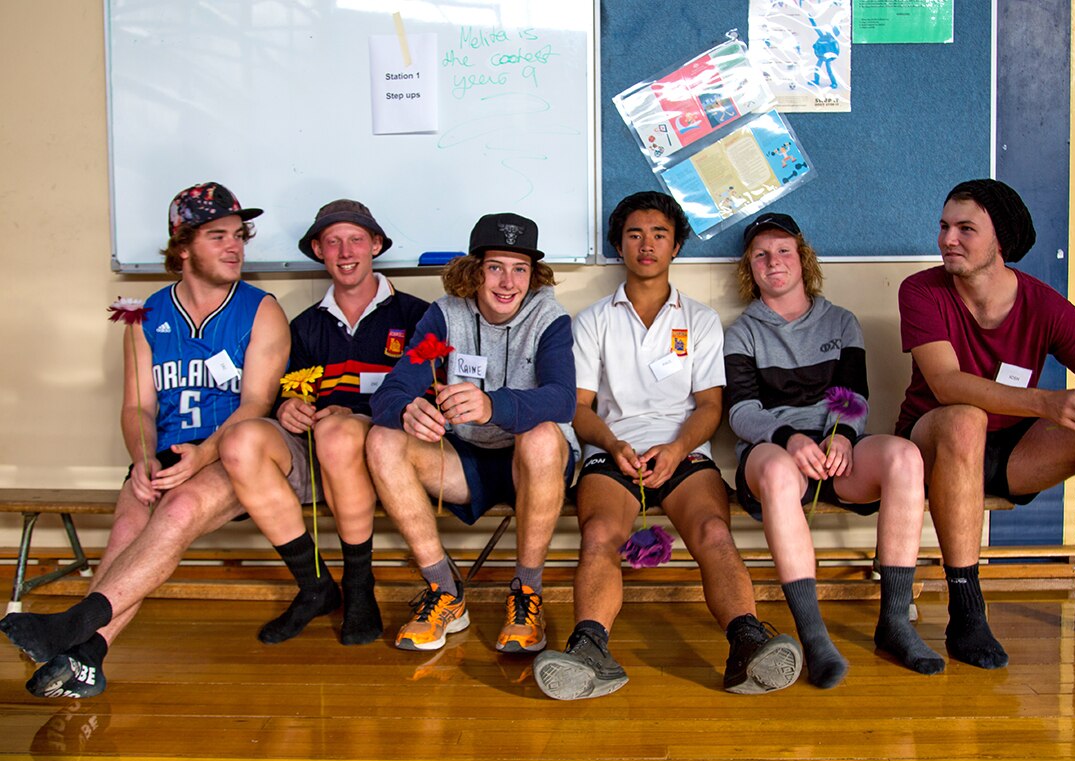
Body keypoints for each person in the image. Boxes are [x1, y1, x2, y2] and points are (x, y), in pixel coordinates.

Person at [0, 182, 290, 696]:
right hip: (164, 456)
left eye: (239, 235)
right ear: (182, 247)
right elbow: (138, 406)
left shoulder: (261, 309)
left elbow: (255, 405)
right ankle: (86, 658)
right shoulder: (143, 315)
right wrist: (139, 460)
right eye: (218, 236)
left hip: (234, 454)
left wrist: (203, 453)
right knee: (124, 537)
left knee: (176, 515)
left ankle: (71, 627)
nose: (235, 247)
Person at [896, 178, 1075, 669]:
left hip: (1011, 453)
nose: (947, 239)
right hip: (933, 446)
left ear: (1001, 240)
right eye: (944, 226)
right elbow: (946, 384)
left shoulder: (1044, 304)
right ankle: (967, 612)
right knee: (965, 419)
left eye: (965, 229)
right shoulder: (921, 290)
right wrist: (1048, 403)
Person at [534, 191, 802, 701]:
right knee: (598, 534)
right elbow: (579, 407)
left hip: (683, 456)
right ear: (619, 245)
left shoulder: (698, 320)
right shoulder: (592, 320)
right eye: (635, 234)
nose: (647, 244)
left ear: (676, 245)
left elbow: (709, 406)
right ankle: (590, 650)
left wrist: (677, 449)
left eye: (659, 234)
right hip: (612, 456)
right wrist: (613, 445)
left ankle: (747, 642)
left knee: (713, 532)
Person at [724, 212, 944, 688]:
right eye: (760, 254)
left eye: (783, 250)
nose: (773, 261)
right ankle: (814, 636)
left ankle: (895, 624)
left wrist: (842, 435)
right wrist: (790, 437)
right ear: (750, 267)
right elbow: (741, 413)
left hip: (835, 450)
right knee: (781, 472)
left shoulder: (842, 322)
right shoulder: (742, 332)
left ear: (801, 258)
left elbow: (856, 397)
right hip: (771, 454)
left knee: (905, 456)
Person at [219, 200, 428, 646]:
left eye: (355, 239)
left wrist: (358, 416)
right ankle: (315, 586)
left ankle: (358, 587)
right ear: (318, 250)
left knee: (336, 432)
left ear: (375, 244)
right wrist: (288, 407)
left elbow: (431, 394)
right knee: (241, 440)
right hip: (319, 457)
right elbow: (294, 387)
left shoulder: (417, 315)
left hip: (387, 454)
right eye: (332, 241)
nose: (345, 250)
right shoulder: (305, 325)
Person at [367, 213, 576, 654]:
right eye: (495, 266)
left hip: (535, 464)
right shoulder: (445, 317)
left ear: (532, 274)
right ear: (474, 269)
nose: (507, 282)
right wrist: (407, 409)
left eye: (520, 269)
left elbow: (562, 399)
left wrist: (492, 404)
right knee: (382, 438)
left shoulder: (548, 317)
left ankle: (526, 594)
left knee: (540, 436)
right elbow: (395, 388)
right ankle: (445, 590)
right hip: (466, 462)